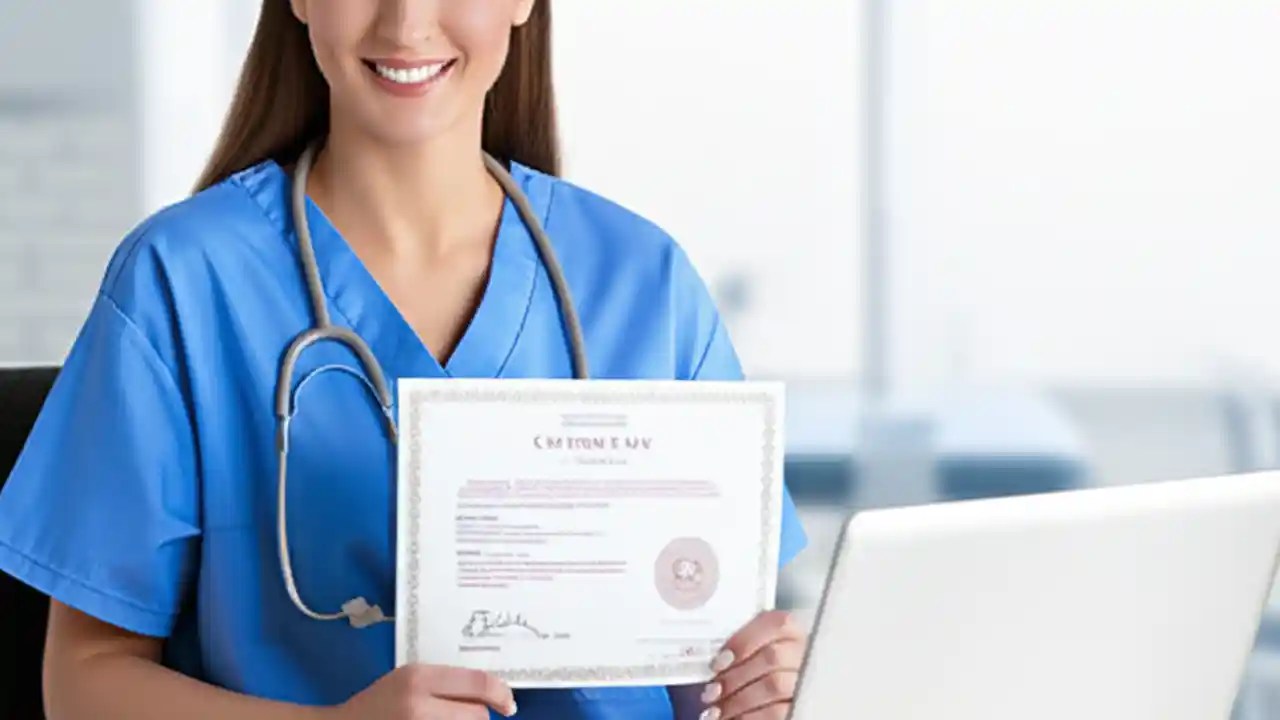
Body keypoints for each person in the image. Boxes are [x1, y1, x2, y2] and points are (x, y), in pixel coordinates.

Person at [0, 1, 809, 718]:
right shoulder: (182, 280)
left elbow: (706, 658)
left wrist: (761, 687)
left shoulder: (645, 280)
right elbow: (84, 681)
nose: (406, 21)